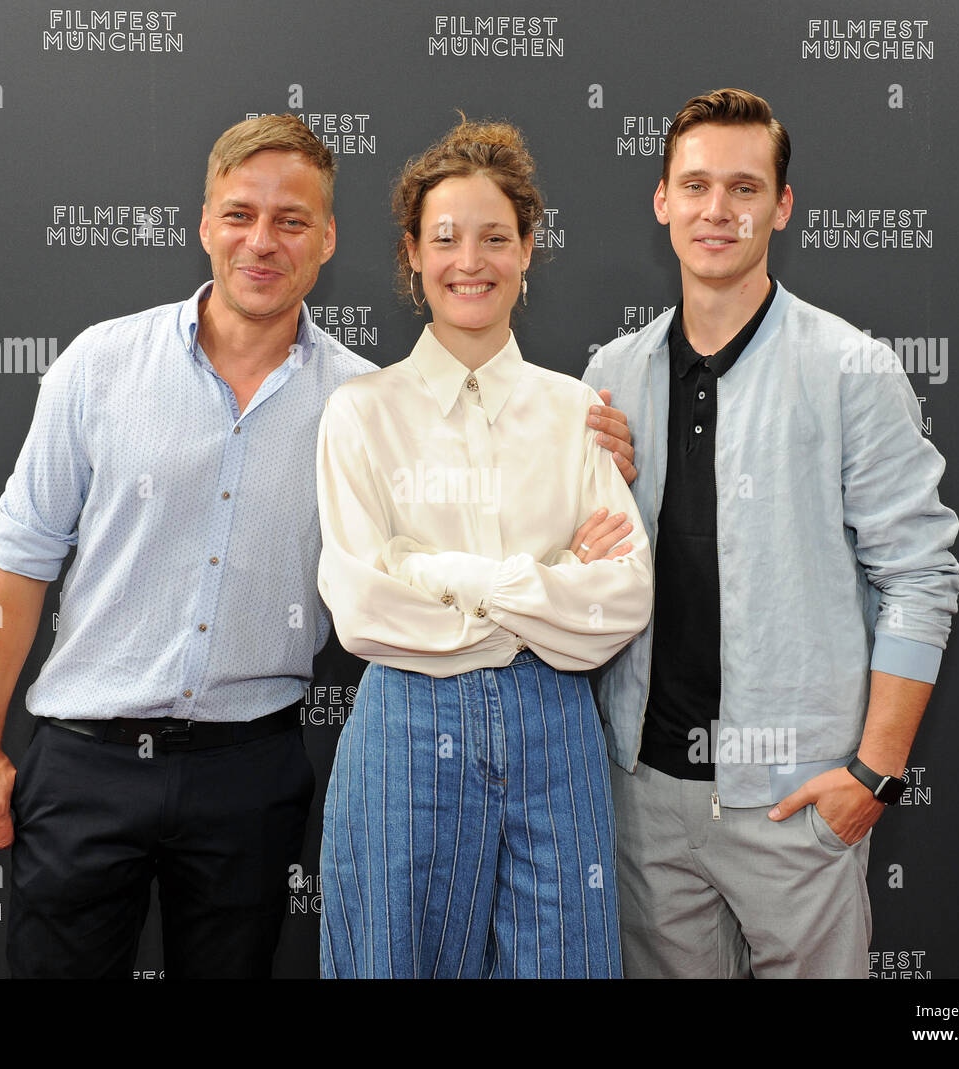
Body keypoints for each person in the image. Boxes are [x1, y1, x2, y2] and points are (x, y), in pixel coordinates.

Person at [0, 114, 637, 978]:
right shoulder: (99, 365)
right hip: (87, 761)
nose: (261, 241)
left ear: (327, 239)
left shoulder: (359, 397)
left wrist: (570, 475)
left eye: (291, 221)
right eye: (239, 215)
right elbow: (19, 564)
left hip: (247, 773)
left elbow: (559, 566)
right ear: (204, 224)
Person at [583, 88, 959, 978]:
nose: (719, 210)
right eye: (697, 185)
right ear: (662, 200)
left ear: (782, 206)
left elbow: (919, 575)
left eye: (745, 188)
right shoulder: (610, 375)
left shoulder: (850, 369)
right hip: (644, 800)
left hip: (798, 800)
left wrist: (873, 775)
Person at [315, 117, 653, 979]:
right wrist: (549, 591)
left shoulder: (578, 409)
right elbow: (361, 608)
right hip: (406, 727)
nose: (472, 260)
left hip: (556, 731)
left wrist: (437, 571)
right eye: (446, 239)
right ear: (413, 255)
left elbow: (621, 598)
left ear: (529, 249)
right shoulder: (361, 411)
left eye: (496, 237)